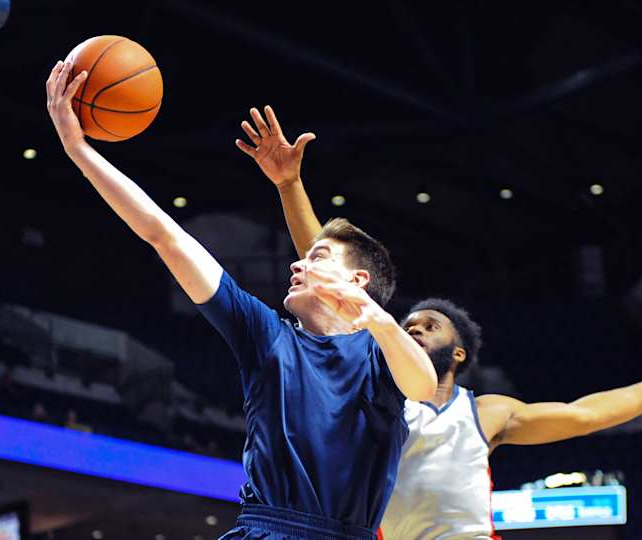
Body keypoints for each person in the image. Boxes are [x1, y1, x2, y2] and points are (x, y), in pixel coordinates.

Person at [237, 107, 642, 539]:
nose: (413, 327)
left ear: (458, 353)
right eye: (410, 321)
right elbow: (328, 273)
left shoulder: (486, 414)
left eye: (431, 325)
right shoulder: (378, 383)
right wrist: (290, 184)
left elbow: (589, 414)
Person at [46, 61, 436, 539]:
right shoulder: (264, 333)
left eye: (316, 257)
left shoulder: (381, 354)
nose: (296, 264)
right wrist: (79, 150)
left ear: (358, 280)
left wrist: (377, 318)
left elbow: (422, 386)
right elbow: (164, 235)